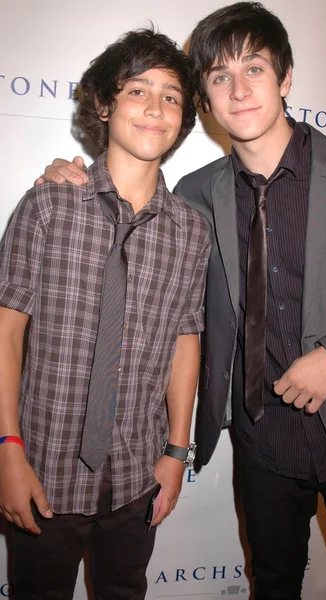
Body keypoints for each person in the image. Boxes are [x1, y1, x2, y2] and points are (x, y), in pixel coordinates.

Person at [35, 2, 326, 598]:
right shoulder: (195, 195)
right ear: (203, 99)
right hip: (262, 443)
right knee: (272, 582)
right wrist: (63, 173)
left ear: (285, 78)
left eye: (253, 68)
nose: (238, 89)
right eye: (219, 76)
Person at [0, 27, 210, 600]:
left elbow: (185, 340)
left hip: (136, 476)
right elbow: (7, 333)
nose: (155, 107)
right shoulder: (48, 204)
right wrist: (7, 450)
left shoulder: (191, 230)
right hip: (42, 466)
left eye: (171, 95)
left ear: (184, 116)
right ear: (104, 103)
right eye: (137, 90)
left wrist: (175, 451)